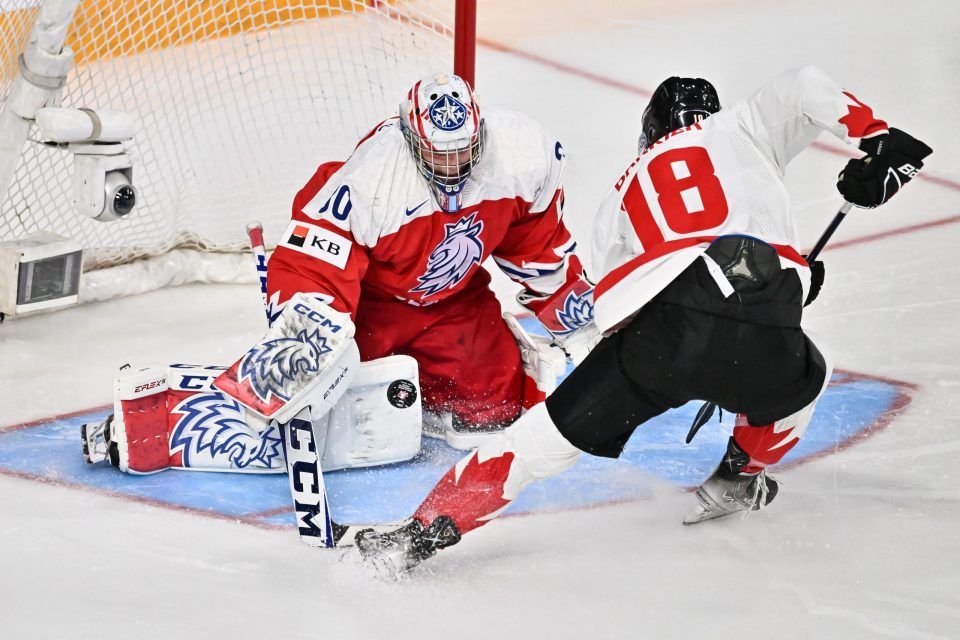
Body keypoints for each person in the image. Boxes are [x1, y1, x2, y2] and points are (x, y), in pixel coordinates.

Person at [353, 66, 933, 575]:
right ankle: (737, 475)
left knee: (536, 448)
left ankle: (415, 536)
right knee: (809, 371)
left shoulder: (625, 189)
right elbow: (807, 84)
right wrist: (875, 138)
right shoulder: (742, 128)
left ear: (650, 132)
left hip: (661, 339)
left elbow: (613, 310)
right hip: (766, 312)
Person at [82, 73, 597, 476]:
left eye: (462, 150)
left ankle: (424, 401)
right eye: (438, 155)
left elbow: (536, 241)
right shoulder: (371, 178)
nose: (453, 166)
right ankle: (171, 414)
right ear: (412, 141)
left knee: (494, 409)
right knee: (320, 401)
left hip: (456, 303)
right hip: (372, 307)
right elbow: (314, 265)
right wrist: (309, 338)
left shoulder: (524, 153)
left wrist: (575, 312)